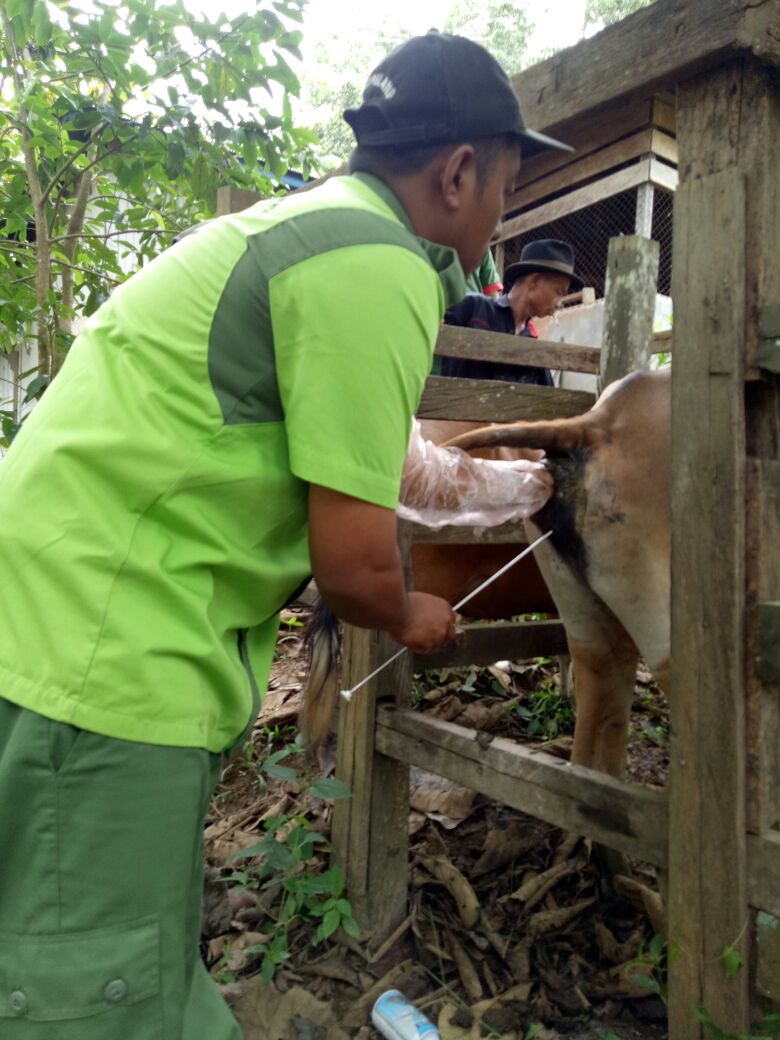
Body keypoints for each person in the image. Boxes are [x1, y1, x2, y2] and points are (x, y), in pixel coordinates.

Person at [0, 31, 568, 1040]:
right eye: (506, 186)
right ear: (458, 172)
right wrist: (411, 610)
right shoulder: (380, 268)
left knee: (77, 941)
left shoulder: (311, 230)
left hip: (51, 609)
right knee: (95, 998)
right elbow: (351, 569)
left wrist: (523, 485)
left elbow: (380, 457)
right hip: (103, 644)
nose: (502, 216)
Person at [441, 239, 583, 385]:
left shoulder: (533, 346)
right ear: (534, 281)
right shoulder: (472, 307)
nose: (559, 303)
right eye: (559, 292)